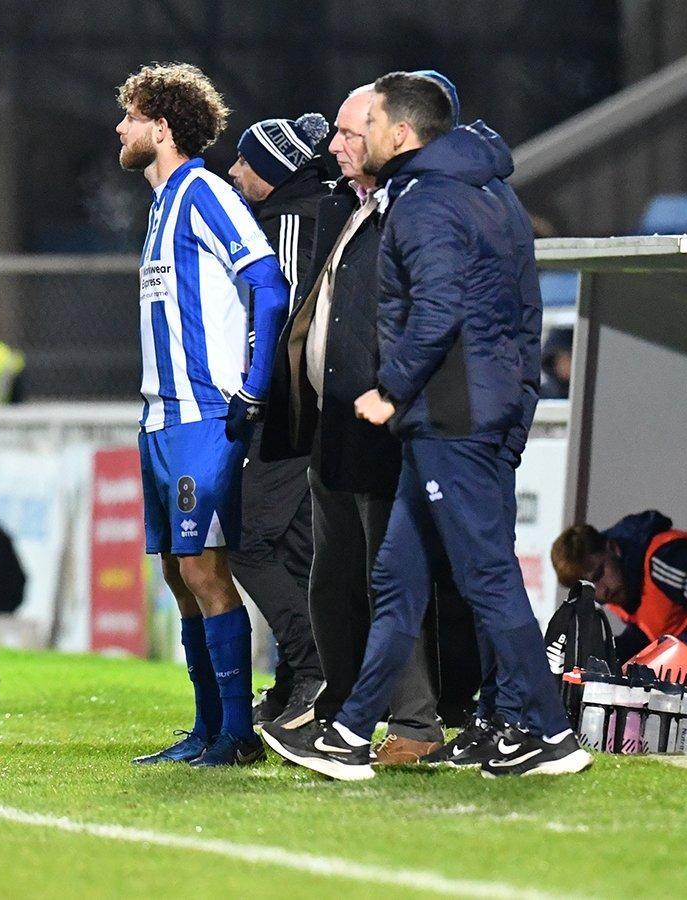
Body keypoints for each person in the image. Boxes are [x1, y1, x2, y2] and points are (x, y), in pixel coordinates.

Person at [261, 71, 590, 780]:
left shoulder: (421, 202)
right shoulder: (489, 191)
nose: (354, 139)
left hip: (450, 415)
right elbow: (519, 312)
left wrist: (390, 387)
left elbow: (437, 311)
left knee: (485, 576)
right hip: (476, 409)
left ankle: (548, 734)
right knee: (398, 577)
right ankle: (350, 734)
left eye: (365, 124)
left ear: (401, 133)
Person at [260, 83, 443, 765]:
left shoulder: (409, 210)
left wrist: (389, 395)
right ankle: (337, 712)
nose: (334, 146)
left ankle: (415, 725)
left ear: (388, 132)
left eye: (346, 132)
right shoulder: (355, 207)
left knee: (387, 580)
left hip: (380, 422)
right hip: (332, 424)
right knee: (333, 579)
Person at [116, 62, 291, 767]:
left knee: (202, 569)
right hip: (160, 420)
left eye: (129, 116)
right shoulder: (161, 205)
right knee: (175, 573)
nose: (119, 129)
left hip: (202, 419)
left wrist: (253, 386)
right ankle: (204, 728)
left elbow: (266, 283)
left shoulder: (202, 192)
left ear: (160, 127)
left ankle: (237, 736)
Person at [226, 112, 333, 730]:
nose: (235, 172)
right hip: (309, 409)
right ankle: (297, 683)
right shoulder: (307, 209)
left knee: (245, 538)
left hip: (290, 411)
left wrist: (254, 395)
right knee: (295, 552)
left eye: (247, 162)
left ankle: (312, 667)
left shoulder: (289, 221)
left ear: (273, 170)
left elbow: (281, 318)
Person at [552, 511, 687, 661]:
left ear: (613, 548)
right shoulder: (621, 590)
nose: (602, 592)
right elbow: (647, 633)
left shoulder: (666, 559)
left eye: (598, 575)